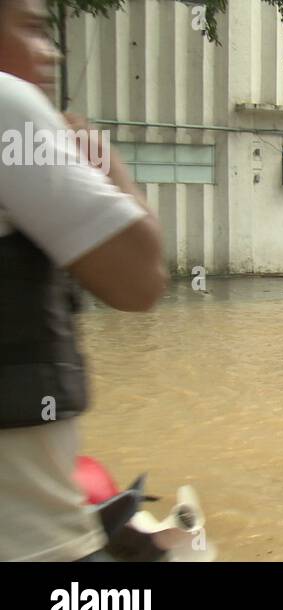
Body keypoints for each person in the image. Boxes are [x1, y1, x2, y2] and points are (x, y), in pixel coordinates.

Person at [0, 0, 166, 561]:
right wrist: (100, 154)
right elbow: (142, 279)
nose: (53, 52)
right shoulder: (8, 104)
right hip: (34, 545)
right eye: (33, 30)